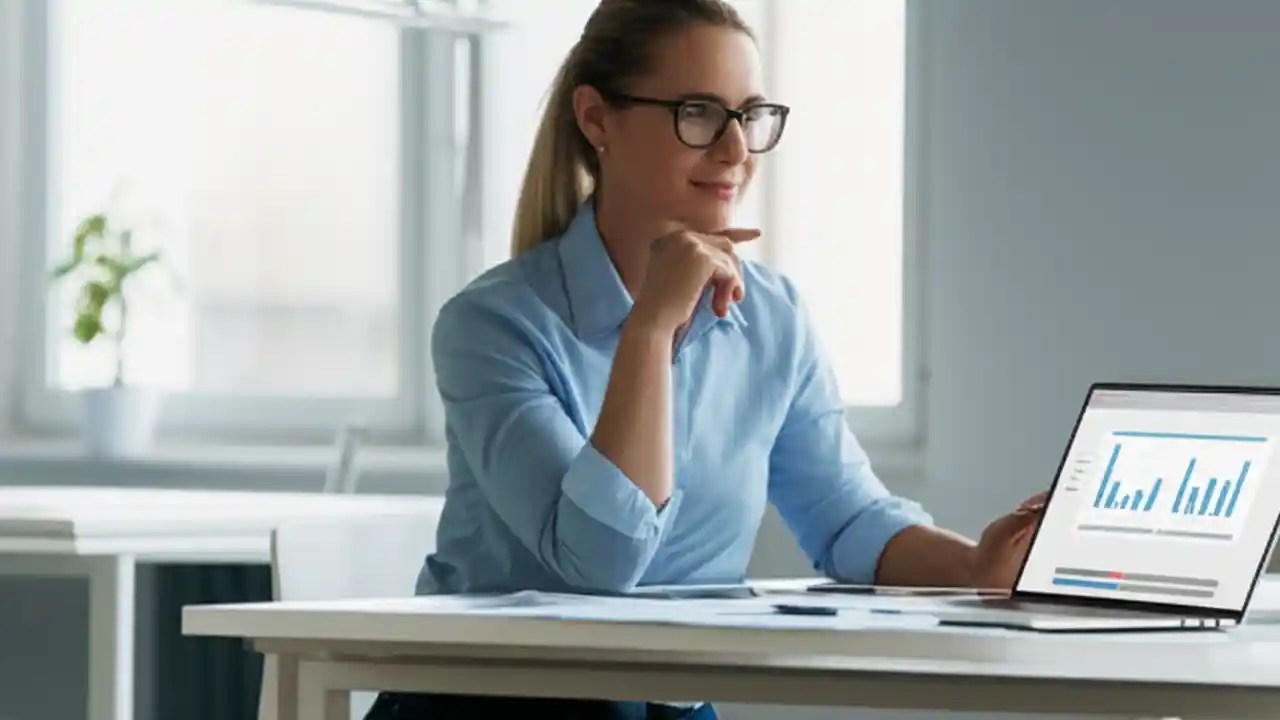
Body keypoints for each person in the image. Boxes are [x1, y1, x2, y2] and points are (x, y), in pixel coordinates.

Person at [366, 1, 1045, 717]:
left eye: (749, 116)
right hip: (494, 701)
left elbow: (846, 520)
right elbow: (596, 564)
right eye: (697, 113)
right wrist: (652, 331)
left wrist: (974, 567)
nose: (735, 151)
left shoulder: (773, 317)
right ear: (598, 120)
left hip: (669, 701)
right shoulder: (494, 325)